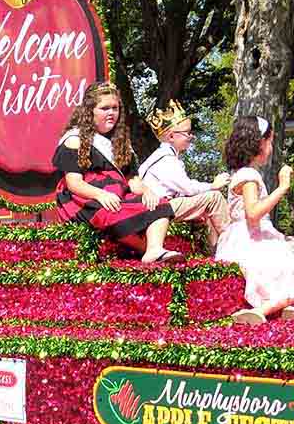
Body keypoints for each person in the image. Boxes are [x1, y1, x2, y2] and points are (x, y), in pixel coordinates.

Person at [52, 81, 181, 263]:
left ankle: (154, 249)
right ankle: (148, 251)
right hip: (86, 199)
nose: (111, 113)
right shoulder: (75, 139)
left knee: (160, 204)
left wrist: (147, 191)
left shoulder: (120, 142)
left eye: (115, 108)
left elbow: (132, 180)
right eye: (105, 108)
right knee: (112, 213)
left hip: (118, 194)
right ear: (90, 111)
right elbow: (74, 183)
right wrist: (100, 194)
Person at [216, 115, 294, 325]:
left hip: (249, 237)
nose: (271, 147)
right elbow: (253, 214)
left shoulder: (244, 173)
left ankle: (285, 307)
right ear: (259, 142)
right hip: (250, 241)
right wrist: (282, 187)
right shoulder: (249, 175)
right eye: (270, 141)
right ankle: (263, 309)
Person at [138, 99, 230, 250]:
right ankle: (234, 242)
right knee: (214, 197)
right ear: (172, 137)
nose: (191, 137)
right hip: (160, 207)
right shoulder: (165, 159)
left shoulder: (165, 156)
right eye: (187, 133)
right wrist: (213, 185)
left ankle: (217, 249)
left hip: (165, 205)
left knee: (206, 204)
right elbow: (187, 188)